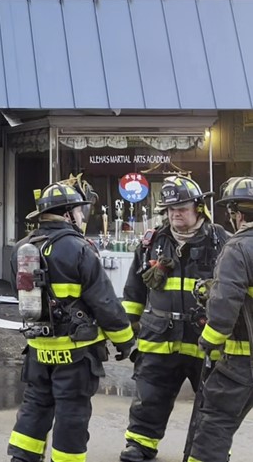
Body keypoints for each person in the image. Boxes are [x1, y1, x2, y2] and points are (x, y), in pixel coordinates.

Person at [7, 180, 136, 462]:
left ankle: (22, 457)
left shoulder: (22, 248)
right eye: (78, 211)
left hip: (38, 348)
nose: (81, 216)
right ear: (67, 214)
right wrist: (126, 341)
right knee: (72, 413)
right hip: (77, 353)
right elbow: (104, 302)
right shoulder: (80, 248)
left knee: (36, 405)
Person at [119, 176, 228, 462]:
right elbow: (134, 290)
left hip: (203, 337)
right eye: (170, 208)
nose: (175, 213)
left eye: (181, 206)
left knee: (211, 402)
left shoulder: (221, 243)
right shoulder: (153, 242)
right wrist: (129, 327)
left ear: (198, 207)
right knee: (149, 394)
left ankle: (206, 453)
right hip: (158, 336)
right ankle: (140, 445)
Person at [185, 176, 253, 462]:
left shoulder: (238, 248)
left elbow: (226, 301)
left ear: (236, 214)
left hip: (242, 361)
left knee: (215, 422)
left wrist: (209, 341)